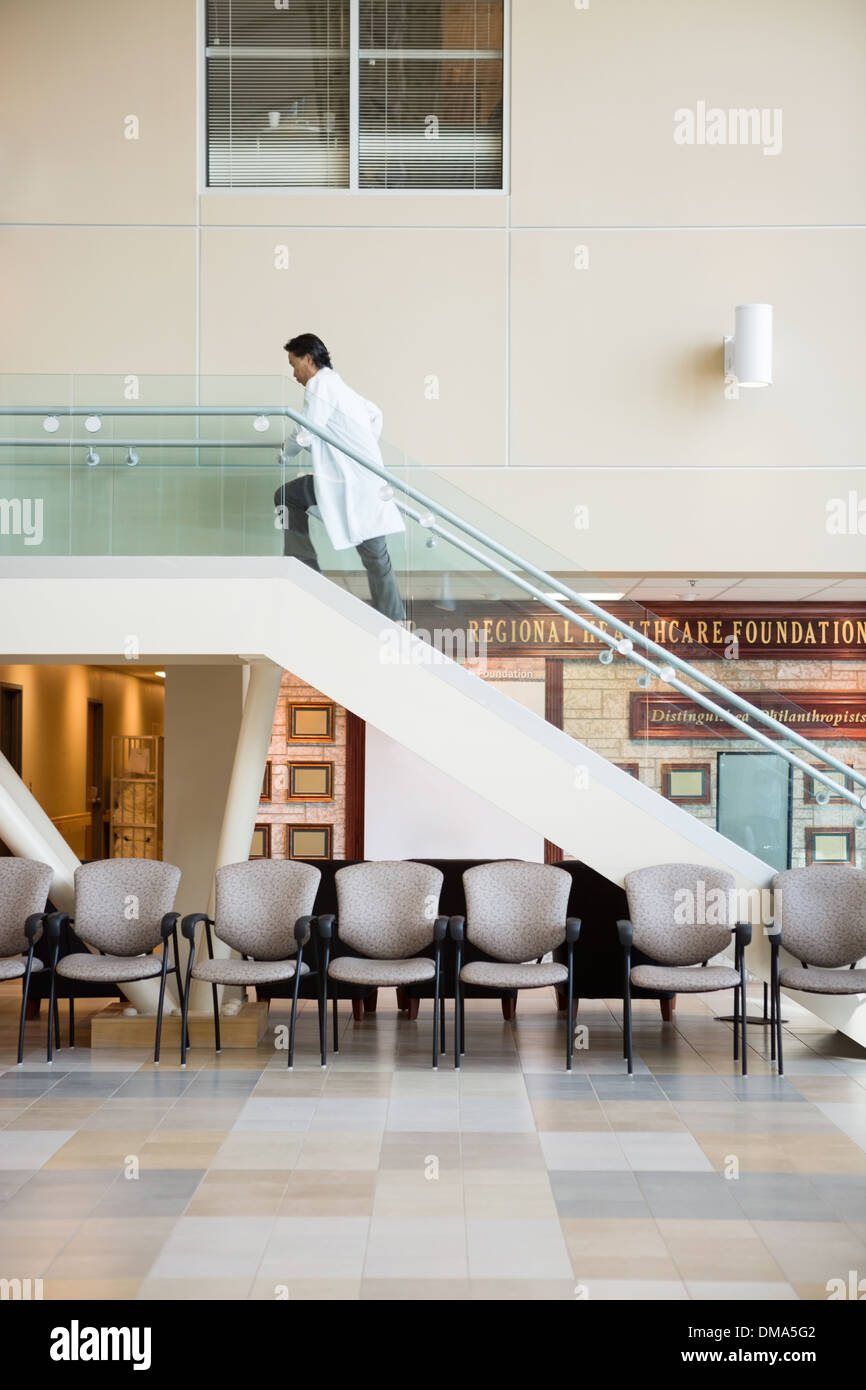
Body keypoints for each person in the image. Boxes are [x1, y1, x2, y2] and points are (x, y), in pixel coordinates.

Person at [274, 333, 406, 622]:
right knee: (376, 556)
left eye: (294, 364)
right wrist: (359, 448)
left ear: (309, 359)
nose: (294, 374)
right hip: (365, 481)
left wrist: (287, 450)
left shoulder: (320, 386)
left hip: (345, 482)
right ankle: (394, 621)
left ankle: (304, 569)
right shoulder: (340, 386)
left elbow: (307, 430)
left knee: (285, 496)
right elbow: (375, 414)